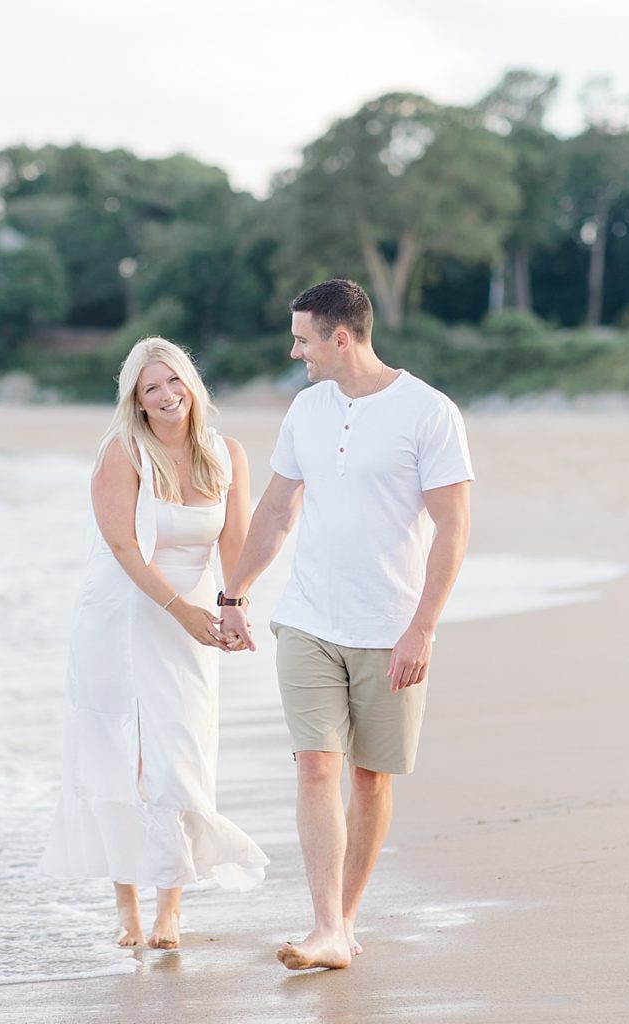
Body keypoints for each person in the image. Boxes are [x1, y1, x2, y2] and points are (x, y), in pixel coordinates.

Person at [218, 280, 473, 970]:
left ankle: (345, 922)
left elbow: (453, 529)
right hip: (306, 619)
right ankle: (325, 925)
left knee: (369, 779)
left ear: (340, 337)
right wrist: (234, 592)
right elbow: (275, 513)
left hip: (391, 626)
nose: (293, 349)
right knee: (314, 766)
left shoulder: (429, 412)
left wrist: (423, 627)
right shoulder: (306, 410)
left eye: (302, 337)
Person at [41, 337, 267, 950]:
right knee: (124, 753)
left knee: (182, 749)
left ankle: (172, 903)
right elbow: (123, 548)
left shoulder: (227, 454)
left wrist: (234, 603)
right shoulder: (122, 452)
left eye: (174, 382)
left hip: (192, 615)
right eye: (151, 389)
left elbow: (234, 541)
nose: (167, 396)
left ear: (192, 384)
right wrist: (181, 611)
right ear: (136, 403)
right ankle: (127, 904)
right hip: (122, 615)